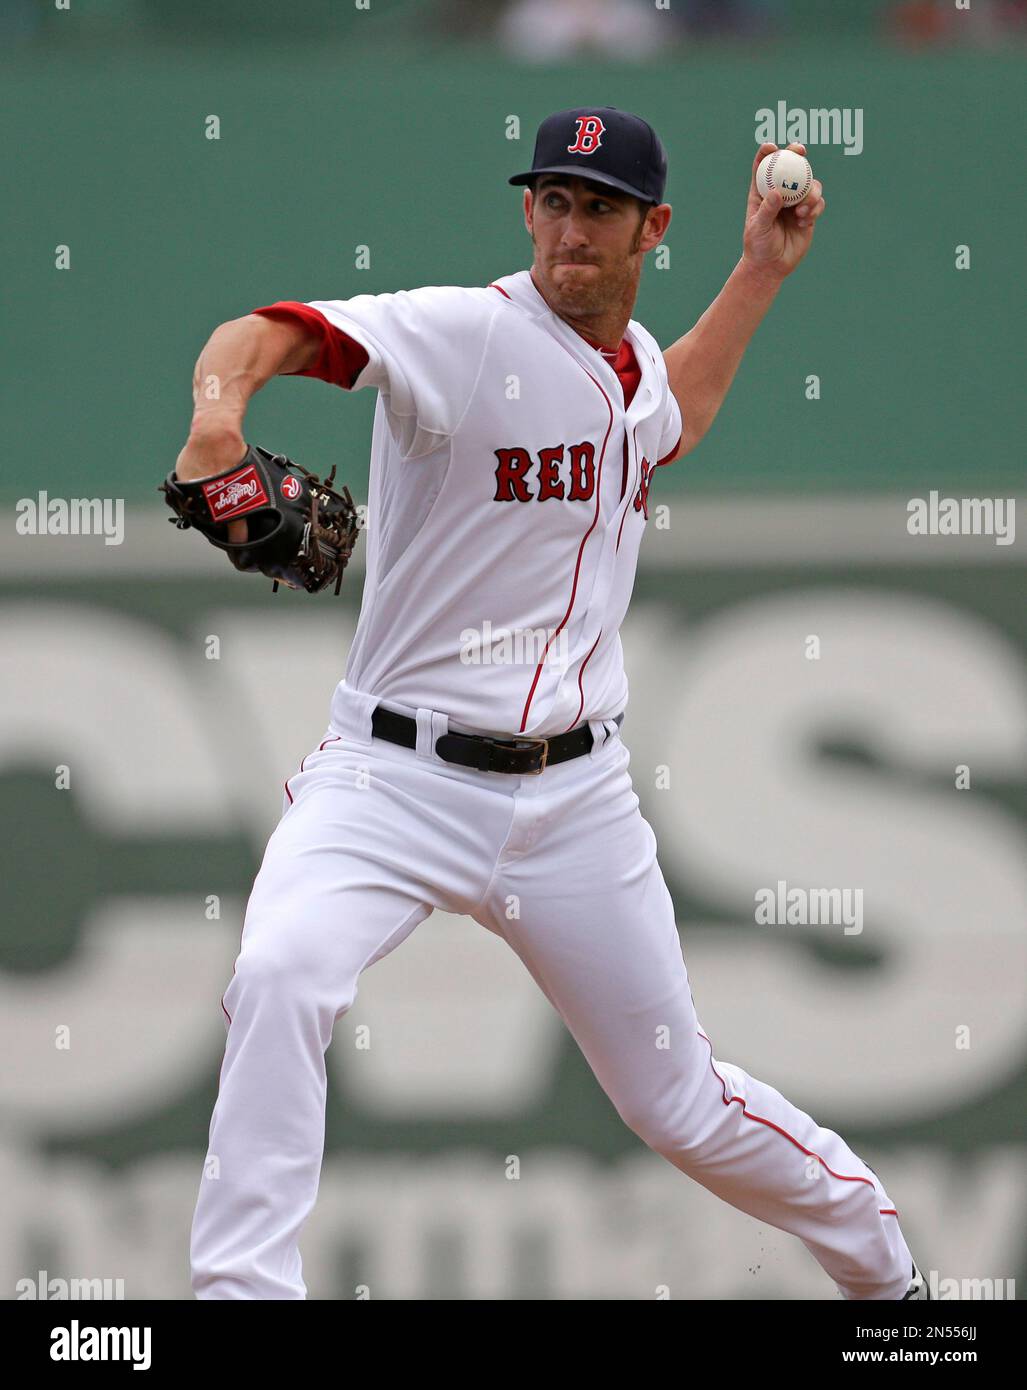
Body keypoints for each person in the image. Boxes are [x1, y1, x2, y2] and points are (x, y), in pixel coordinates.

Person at [180, 106, 926, 1301]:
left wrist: (756, 271)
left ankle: (888, 1282)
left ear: (650, 229)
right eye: (554, 201)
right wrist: (220, 417)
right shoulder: (466, 334)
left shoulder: (626, 377)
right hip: (393, 774)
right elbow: (261, 333)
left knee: (677, 1101)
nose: (571, 227)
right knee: (279, 973)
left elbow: (668, 413)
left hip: (575, 798)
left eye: (600, 207)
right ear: (528, 210)